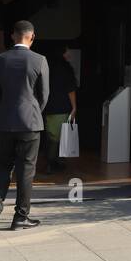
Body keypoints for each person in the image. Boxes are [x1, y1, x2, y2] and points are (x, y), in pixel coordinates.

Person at [0, 20, 49, 230]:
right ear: (32, 37)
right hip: (30, 123)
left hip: (6, 122)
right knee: (26, 171)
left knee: (4, 167)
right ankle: (21, 216)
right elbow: (44, 95)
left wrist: (7, 110)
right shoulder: (39, 60)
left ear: (13, 36)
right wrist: (32, 113)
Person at [40, 44, 77, 174]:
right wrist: (74, 107)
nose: (69, 54)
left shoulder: (47, 67)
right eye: (67, 51)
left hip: (48, 107)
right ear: (62, 53)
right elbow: (70, 89)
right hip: (62, 107)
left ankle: (52, 161)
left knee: (52, 135)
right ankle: (53, 162)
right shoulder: (67, 69)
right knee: (58, 137)